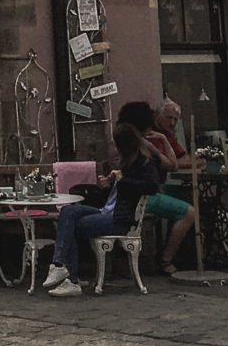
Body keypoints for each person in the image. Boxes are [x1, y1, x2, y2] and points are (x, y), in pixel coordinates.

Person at [43, 123, 159, 296]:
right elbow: (117, 194)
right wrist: (107, 184)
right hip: (106, 211)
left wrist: (122, 180)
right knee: (68, 212)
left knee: (69, 225)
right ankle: (59, 266)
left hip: (119, 219)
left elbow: (151, 186)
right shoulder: (127, 162)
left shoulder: (143, 162)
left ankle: (71, 279)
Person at [115, 102, 201, 268]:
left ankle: (183, 249)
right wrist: (163, 139)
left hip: (130, 193)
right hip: (142, 195)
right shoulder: (143, 143)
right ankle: (166, 259)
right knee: (190, 213)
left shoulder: (121, 137)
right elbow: (172, 166)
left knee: (184, 194)